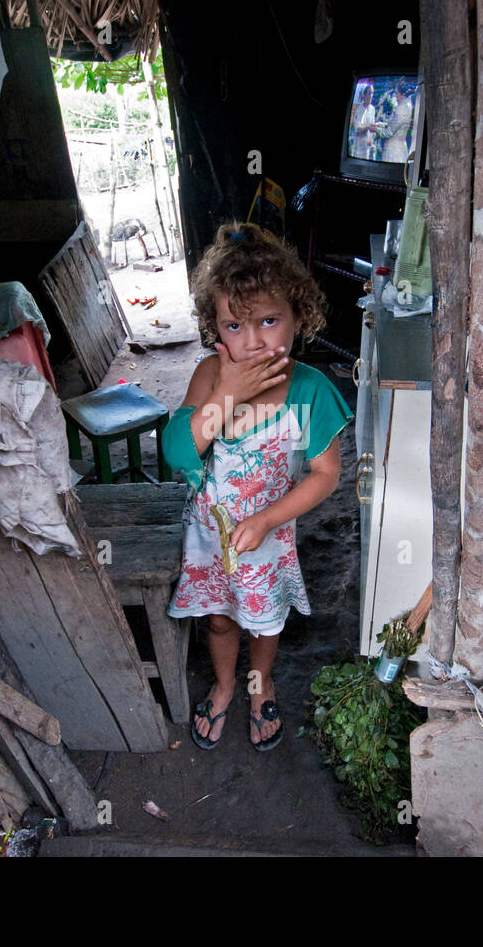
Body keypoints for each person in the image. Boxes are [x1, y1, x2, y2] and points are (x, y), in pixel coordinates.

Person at [162, 222, 353, 752]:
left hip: (267, 540)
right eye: (234, 326)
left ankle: (258, 683)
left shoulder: (310, 390)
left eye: (269, 320)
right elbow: (177, 452)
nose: (252, 341)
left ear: (299, 316)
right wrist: (226, 393)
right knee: (221, 620)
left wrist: (268, 519)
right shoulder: (209, 375)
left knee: (264, 623)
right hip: (210, 538)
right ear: (216, 330)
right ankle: (225, 685)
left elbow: (326, 475)